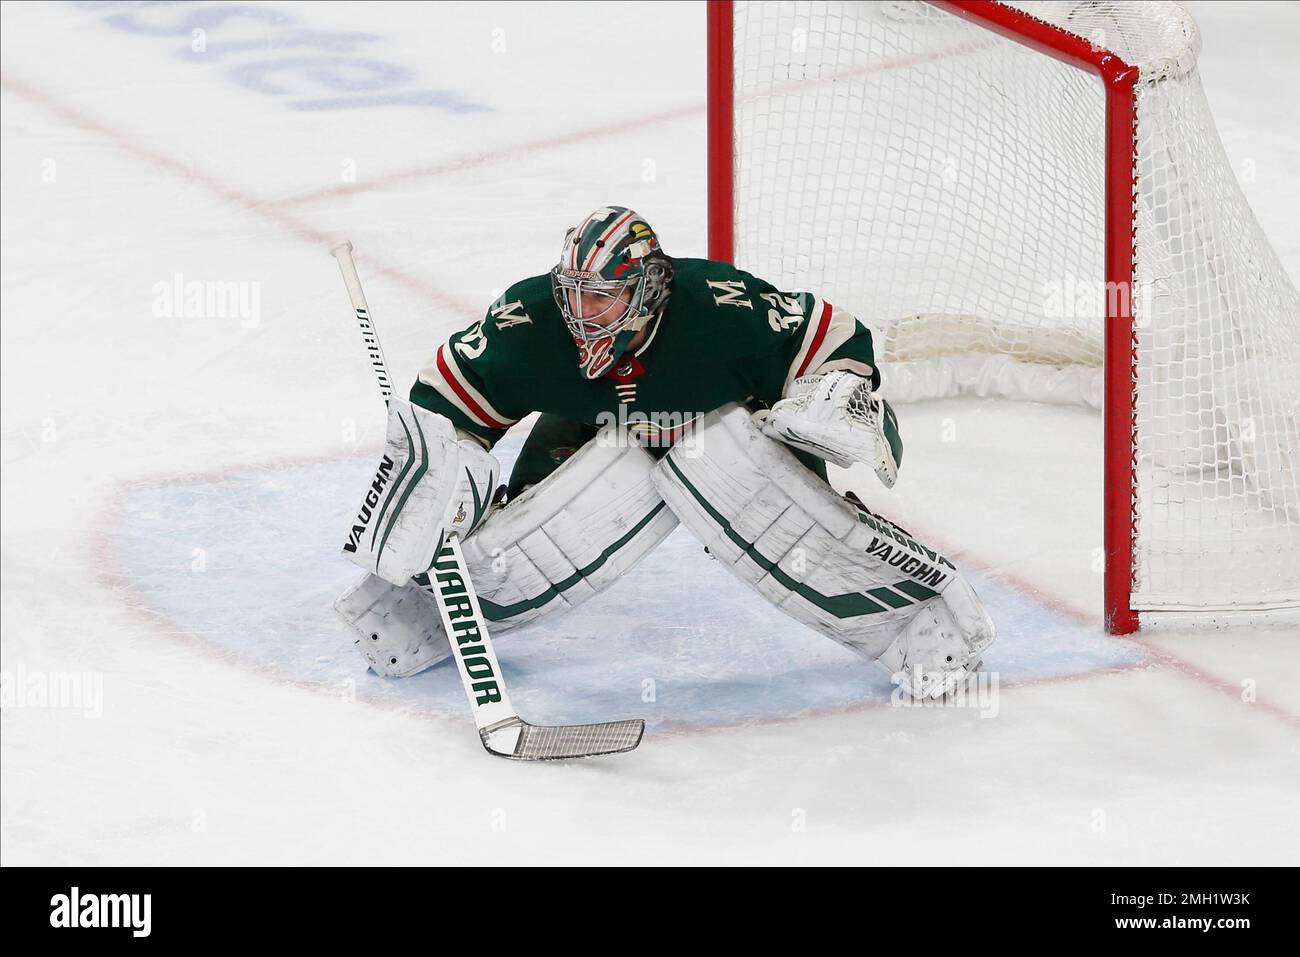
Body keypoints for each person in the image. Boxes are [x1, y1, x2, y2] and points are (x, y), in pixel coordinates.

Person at [336, 206, 994, 700]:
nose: (579, 312)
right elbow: (450, 397)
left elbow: (831, 334)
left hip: (719, 429)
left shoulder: (717, 306)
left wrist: (835, 395)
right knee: (523, 539)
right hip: (586, 431)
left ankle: (919, 621)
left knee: (734, 471)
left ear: (648, 287)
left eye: (601, 296)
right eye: (572, 292)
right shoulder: (531, 318)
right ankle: (416, 610)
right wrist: (442, 475)